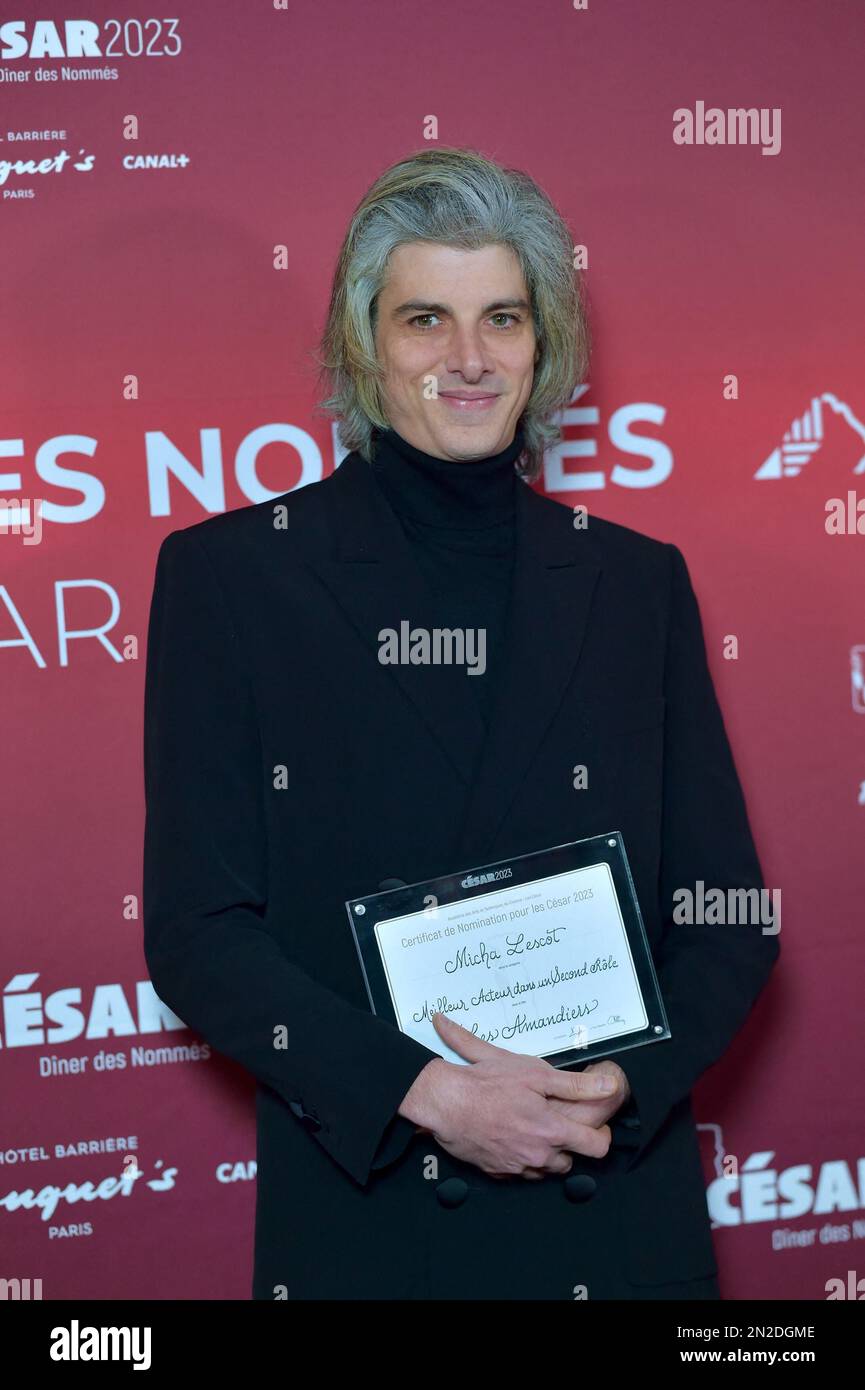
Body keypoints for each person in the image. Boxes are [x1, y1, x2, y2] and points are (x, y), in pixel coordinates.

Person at [142, 146, 779, 1300]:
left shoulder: (635, 584)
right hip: (376, 1220)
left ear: (546, 346)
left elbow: (725, 915)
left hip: (613, 1212)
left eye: (503, 318)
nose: (469, 359)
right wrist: (425, 1094)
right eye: (424, 319)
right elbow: (196, 931)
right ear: (361, 343)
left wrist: (614, 1090)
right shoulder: (232, 579)